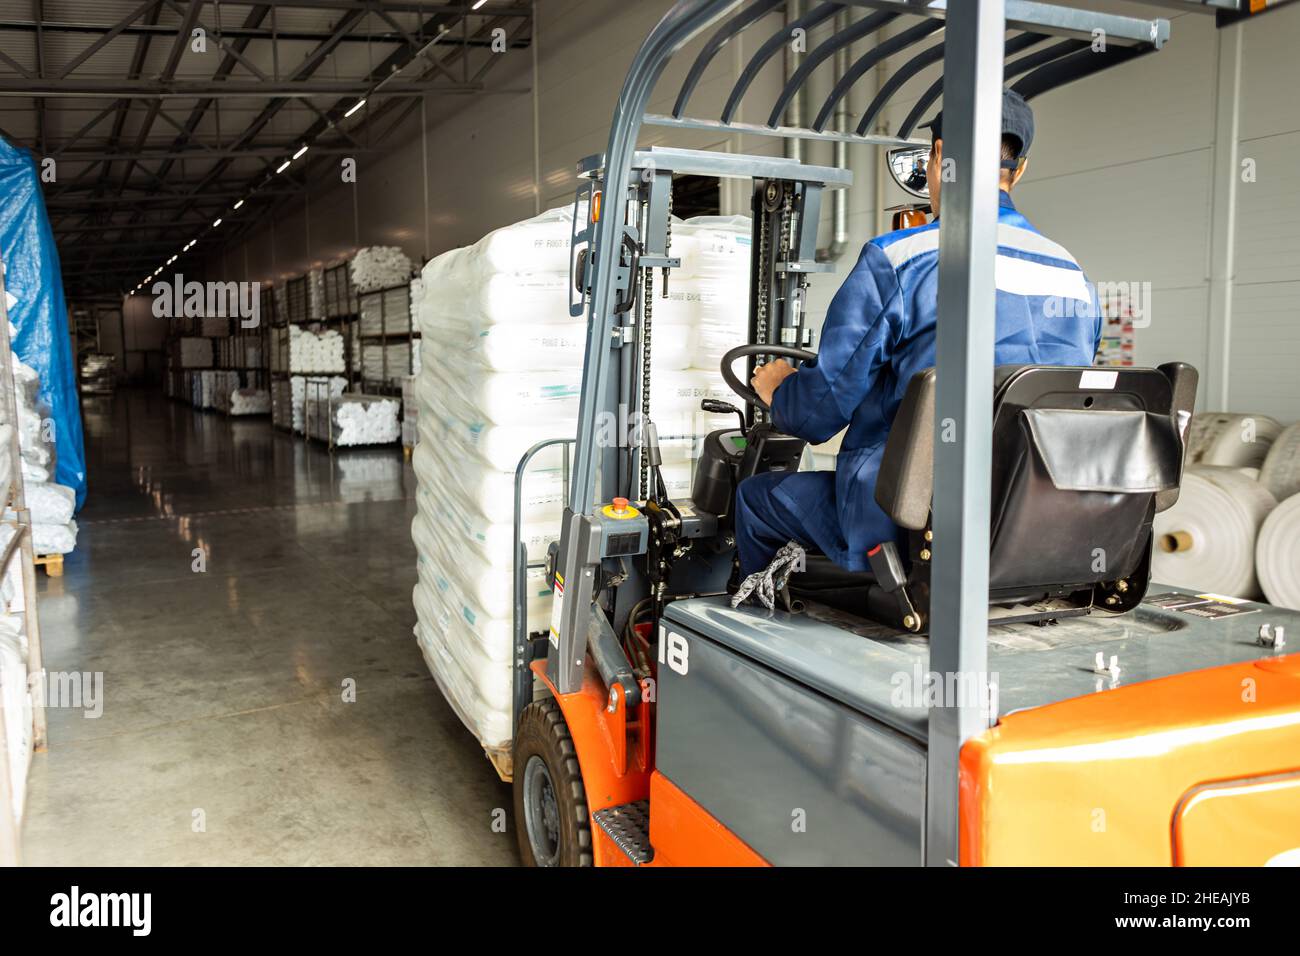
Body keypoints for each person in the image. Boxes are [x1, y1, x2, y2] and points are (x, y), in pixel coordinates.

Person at [733, 89, 1102, 584]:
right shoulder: (1074, 277)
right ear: (1020, 168)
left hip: (901, 520)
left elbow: (819, 414)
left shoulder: (901, 259)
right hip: (1029, 524)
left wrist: (779, 389)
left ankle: (760, 639)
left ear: (940, 158)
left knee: (756, 497)